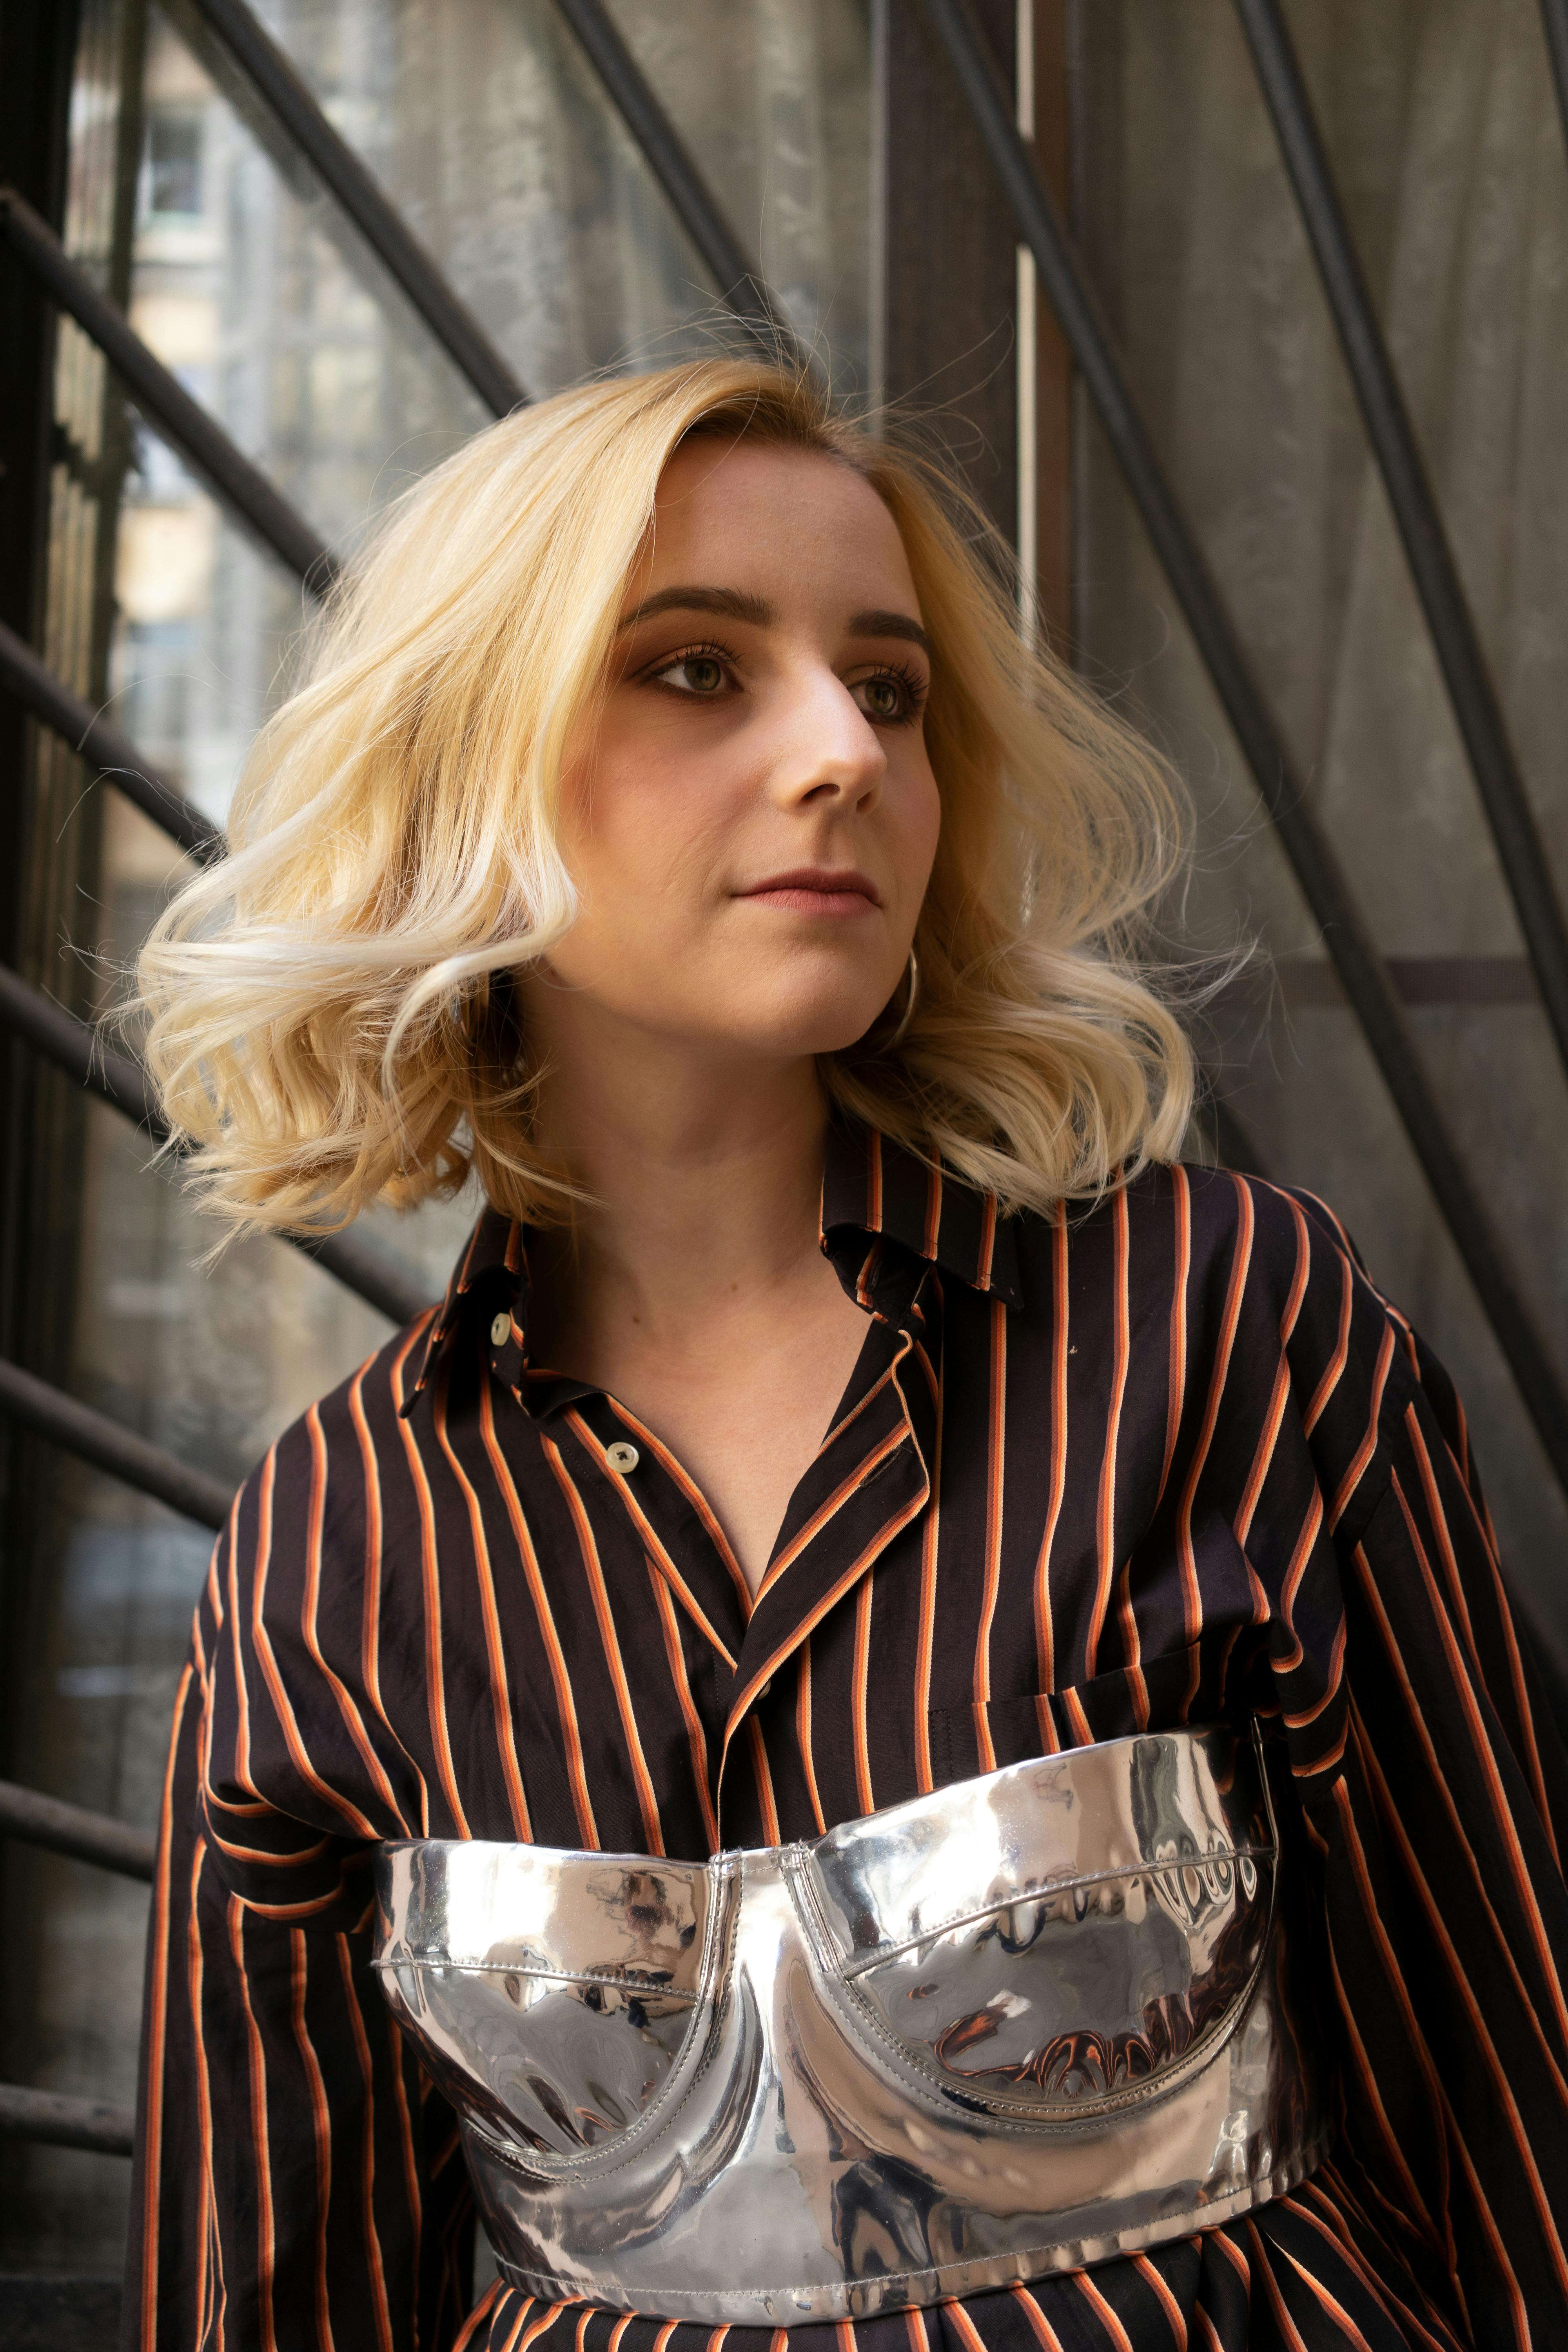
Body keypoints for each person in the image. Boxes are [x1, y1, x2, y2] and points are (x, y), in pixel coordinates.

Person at [125, 359, 1568, 2352]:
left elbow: (1512, 2113)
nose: (843, 753)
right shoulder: (331, 1546)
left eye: (885, 688)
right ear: (464, 763)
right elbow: (265, 2294)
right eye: (698, 670)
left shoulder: (1221, 1326)